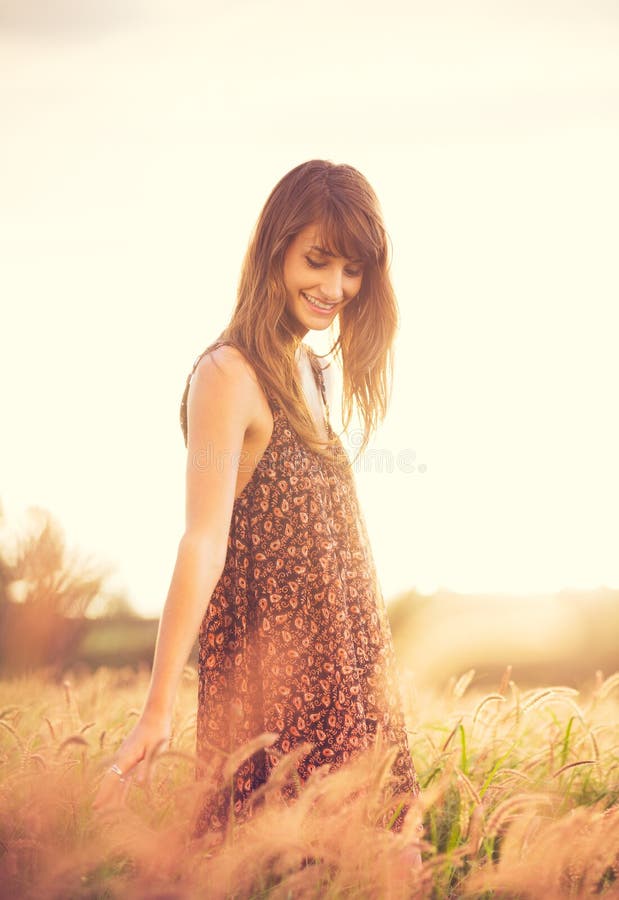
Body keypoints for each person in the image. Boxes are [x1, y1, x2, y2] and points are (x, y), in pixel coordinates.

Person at [93, 160, 422, 858]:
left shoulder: (311, 368)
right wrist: (157, 711)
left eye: (353, 270)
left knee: (387, 867)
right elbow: (201, 541)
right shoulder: (225, 375)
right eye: (317, 259)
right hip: (281, 690)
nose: (335, 288)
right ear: (274, 245)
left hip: (351, 672)